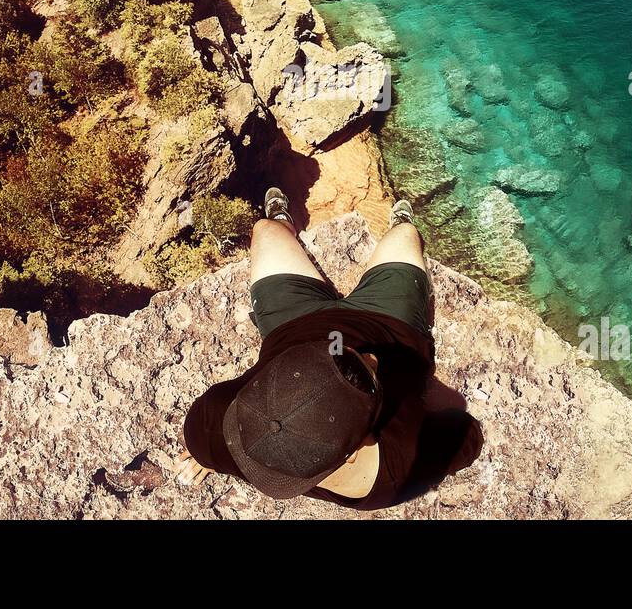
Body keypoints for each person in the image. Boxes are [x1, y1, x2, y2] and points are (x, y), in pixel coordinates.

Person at [177, 188, 483, 509]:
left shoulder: (210, 427)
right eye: (369, 373)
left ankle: (282, 221)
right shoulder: (402, 462)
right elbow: (467, 435)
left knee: (265, 231)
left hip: (293, 325)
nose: (372, 355)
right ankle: (400, 221)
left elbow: (208, 439)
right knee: (405, 235)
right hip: (389, 323)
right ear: (358, 449)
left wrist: (207, 455)